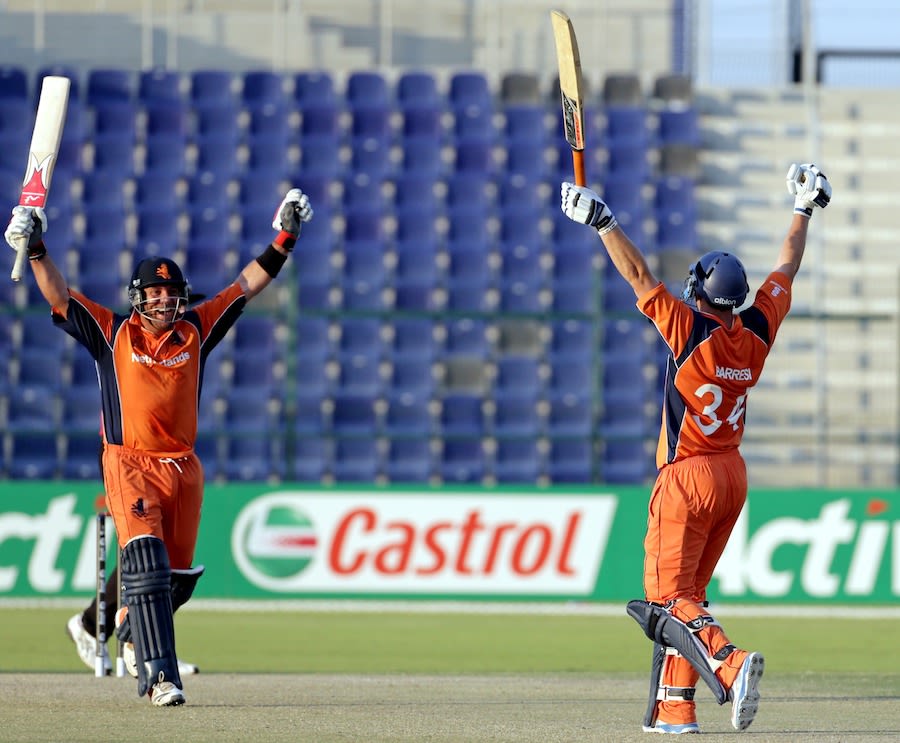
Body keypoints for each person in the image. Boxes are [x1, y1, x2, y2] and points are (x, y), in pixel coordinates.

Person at [5, 187, 313, 706]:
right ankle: (160, 677)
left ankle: (125, 633)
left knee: (176, 580)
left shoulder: (196, 330)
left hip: (184, 468)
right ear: (138, 297)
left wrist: (284, 238)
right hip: (129, 463)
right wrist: (35, 249)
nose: (165, 302)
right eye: (155, 294)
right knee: (145, 563)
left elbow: (244, 287)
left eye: (171, 295)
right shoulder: (112, 332)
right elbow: (59, 296)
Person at [560, 162, 831, 734]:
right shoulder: (757, 330)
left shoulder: (689, 329)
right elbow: (787, 265)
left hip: (687, 475)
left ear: (702, 293)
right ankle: (674, 709)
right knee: (688, 596)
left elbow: (638, 275)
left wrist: (603, 222)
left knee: (664, 601)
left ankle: (730, 665)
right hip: (732, 474)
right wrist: (803, 208)